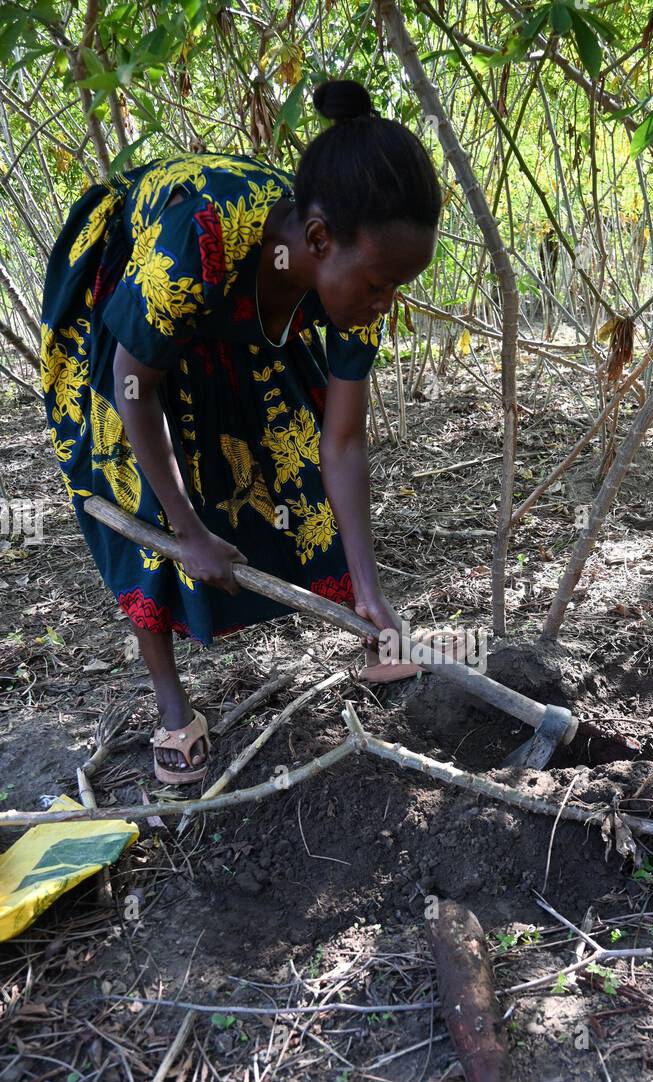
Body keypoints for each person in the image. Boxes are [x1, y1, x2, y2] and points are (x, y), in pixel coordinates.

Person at [40, 79, 441, 783]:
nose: (387, 301)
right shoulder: (197, 237)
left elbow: (342, 441)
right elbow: (136, 389)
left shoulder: (349, 277)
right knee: (138, 490)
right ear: (318, 239)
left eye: (398, 286)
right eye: (379, 284)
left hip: (247, 320)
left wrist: (367, 582)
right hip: (134, 326)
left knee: (281, 460)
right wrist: (186, 529)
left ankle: (367, 625)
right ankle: (172, 707)